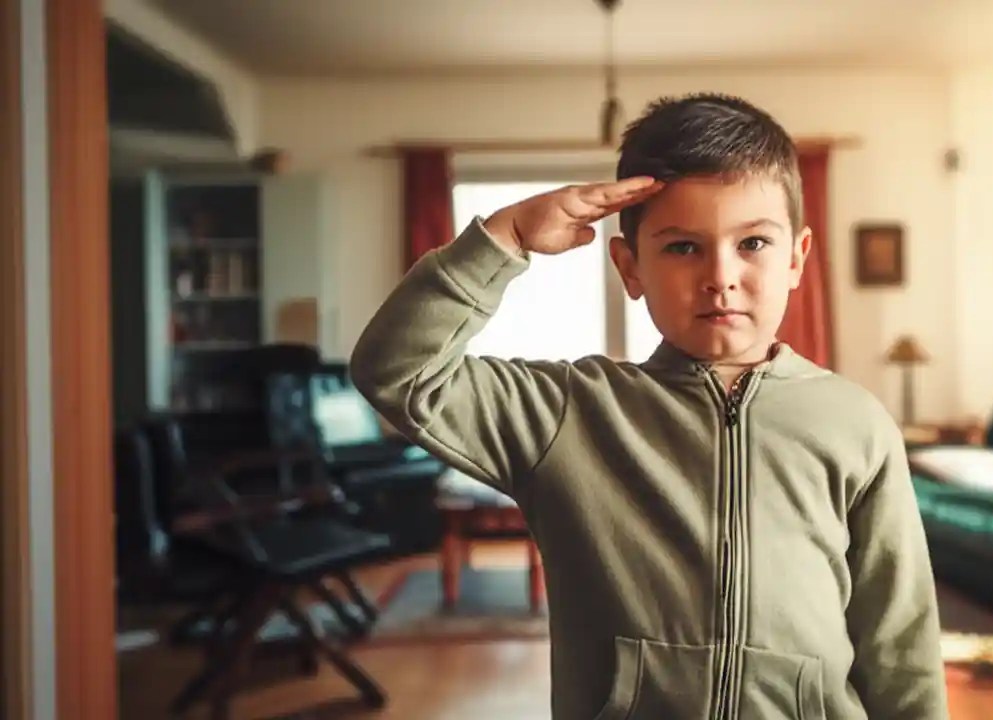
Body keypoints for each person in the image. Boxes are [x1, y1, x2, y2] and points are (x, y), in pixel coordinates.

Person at [351, 93, 947, 720]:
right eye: (684, 247)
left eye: (753, 244)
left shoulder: (856, 423)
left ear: (797, 258)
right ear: (629, 267)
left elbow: (898, 638)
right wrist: (508, 237)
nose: (721, 274)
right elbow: (397, 371)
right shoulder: (569, 415)